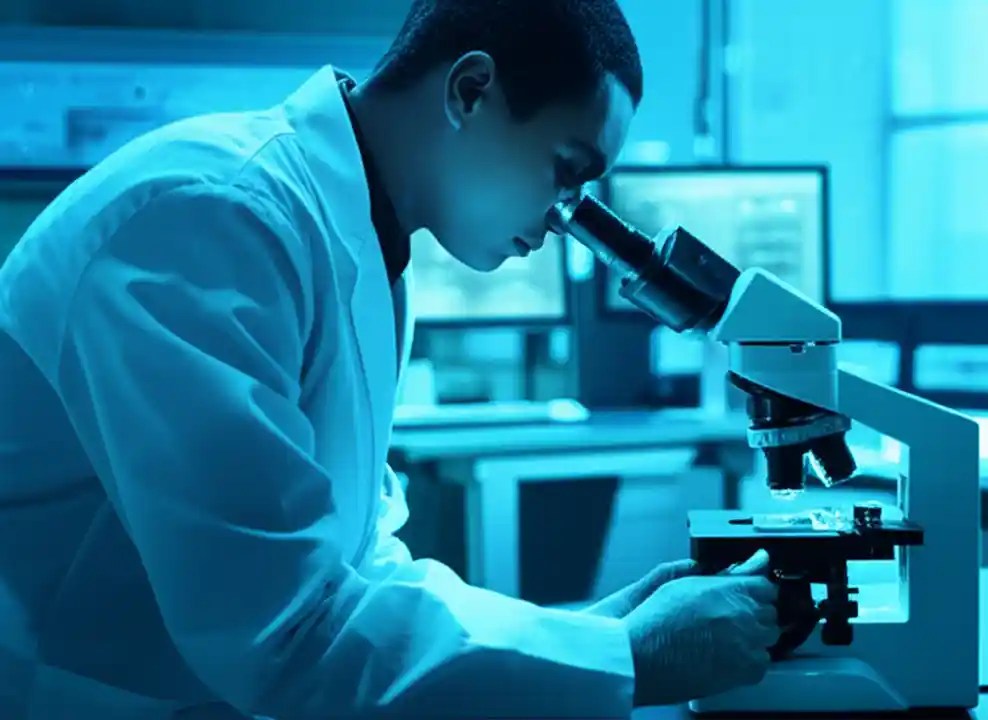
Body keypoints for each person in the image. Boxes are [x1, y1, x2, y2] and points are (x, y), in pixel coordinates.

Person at [0, 0, 781, 717]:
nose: (560, 221)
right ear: (469, 91)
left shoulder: (358, 237)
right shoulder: (211, 218)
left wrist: (589, 632)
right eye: (566, 171)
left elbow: (361, 568)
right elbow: (286, 632)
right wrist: (632, 655)